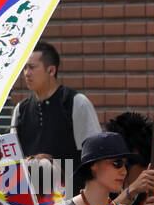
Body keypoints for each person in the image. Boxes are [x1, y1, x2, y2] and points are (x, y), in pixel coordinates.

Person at [12, 40, 101, 180]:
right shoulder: (21, 109)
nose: (26, 73)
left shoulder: (75, 103)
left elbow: (95, 154)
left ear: (51, 70)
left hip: (71, 194)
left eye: (32, 67)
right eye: (24, 68)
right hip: (34, 195)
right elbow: (14, 158)